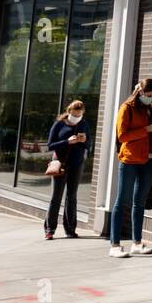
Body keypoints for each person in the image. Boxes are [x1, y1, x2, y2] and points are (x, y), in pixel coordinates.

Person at [109, 78, 152, 258]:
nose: (151, 99)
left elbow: (151, 134)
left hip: (148, 160)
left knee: (140, 202)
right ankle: (115, 245)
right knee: (122, 201)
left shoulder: (150, 109)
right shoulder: (126, 108)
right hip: (130, 160)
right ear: (141, 91)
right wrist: (148, 129)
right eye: (149, 95)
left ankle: (137, 242)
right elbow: (122, 136)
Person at [44, 100, 89, 240]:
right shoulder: (59, 124)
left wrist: (83, 141)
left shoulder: (83, 124)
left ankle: (70, 229)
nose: (77, 117)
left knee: (72, 197)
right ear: (69, 112)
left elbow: (89, 145)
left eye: (79, 114)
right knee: (56, 196)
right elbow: (50, 145)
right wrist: (67, 142)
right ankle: (50, 229)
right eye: (75, 114)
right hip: (61, 163)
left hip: (77, 164)